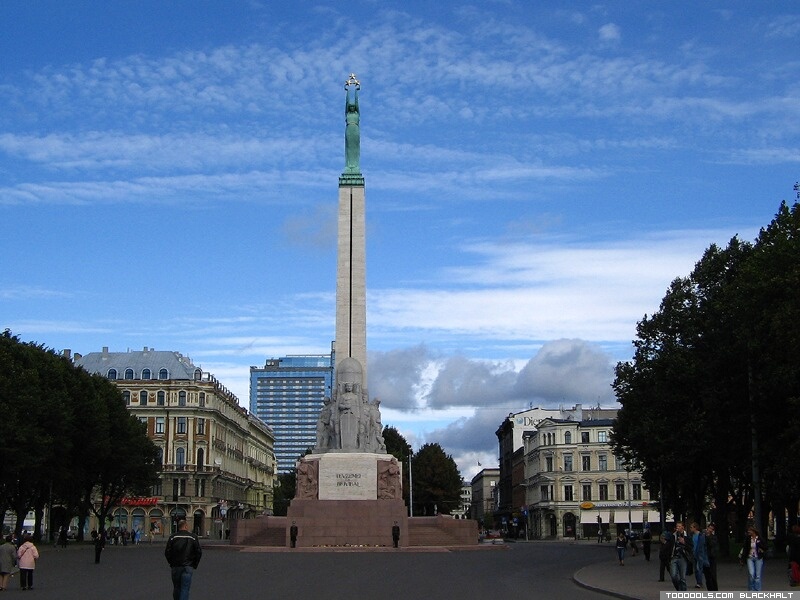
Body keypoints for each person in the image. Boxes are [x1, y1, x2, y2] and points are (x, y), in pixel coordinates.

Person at [165, 519, 202, 600]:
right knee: (185, 588)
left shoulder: (172, 537)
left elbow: (167, 552)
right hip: (188, 566)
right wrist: (194, 564)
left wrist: (171, 563)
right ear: (185, 526)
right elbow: (198, 552)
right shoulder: (193, 537)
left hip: (176, 566)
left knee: (176, 587)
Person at [667, 522, 694, 591]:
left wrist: (684, 542)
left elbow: (691, 547)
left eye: (679, 526)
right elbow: (668, 546)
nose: (678, 528)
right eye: (677, 526)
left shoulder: (687, 536)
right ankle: (679, 589)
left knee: (683, 578)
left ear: (683, 527)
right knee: (673, 576)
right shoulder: (673, 536)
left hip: (683, 558)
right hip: (674, 557)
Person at [739, 526, 766, 591]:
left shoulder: (759, 538)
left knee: (757, 575)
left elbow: (765, 547)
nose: (748, 532)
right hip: (750, 558)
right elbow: (745, 549)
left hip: (758, 558)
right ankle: (751, 590)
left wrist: (759, 544)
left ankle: (757, 590)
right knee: (751, 574)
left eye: (750, 531)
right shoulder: (748, 539)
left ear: (753, 531)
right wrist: (742, 559)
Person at [690, 522, 709, 588]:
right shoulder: (692, 535)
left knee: (699, 568)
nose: (690, 529)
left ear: (695, 528)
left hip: (699, 554)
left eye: (691, 527)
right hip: (694, 553)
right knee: (695, 569)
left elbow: (703, 545)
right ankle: (698, 581)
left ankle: (699, 582)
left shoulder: (701, 535)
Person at [703, 523, 719, 591]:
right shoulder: (703, 536)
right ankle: (709, 590)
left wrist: (708, 536)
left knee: (713, 576)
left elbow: (712, 544)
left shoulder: (713, 537)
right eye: (709, 528)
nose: (709, 530)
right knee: (707, 576)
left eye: (711, 529)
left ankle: (715, 590)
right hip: (705, 557)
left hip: (711, 558)